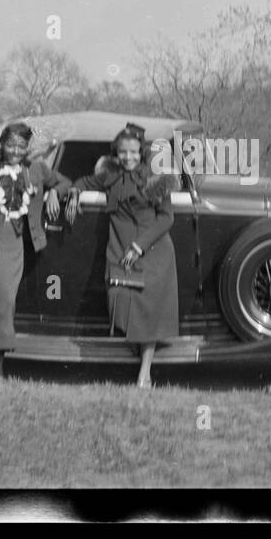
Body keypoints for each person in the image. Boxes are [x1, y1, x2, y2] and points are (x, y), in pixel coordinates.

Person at [65, 123, 178, 388]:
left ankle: (145, 371)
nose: (128, 157)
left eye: (134, 152)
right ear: (116, 153)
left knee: (147, 308)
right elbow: (84, 181)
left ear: (142, 153)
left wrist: (139, 246)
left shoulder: (153, 177)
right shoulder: (111, 175)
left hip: (151, 249)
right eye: (123, 152)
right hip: (119, 248)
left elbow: (166, 218)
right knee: (121, 299)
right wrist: (73, 193)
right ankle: (137, 349)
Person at [0, 122, 71, 378]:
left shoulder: (36, 169)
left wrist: (55, 193)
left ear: (27, 149)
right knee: (5, 300)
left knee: (6, 301)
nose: (14, 150)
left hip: (17, 244)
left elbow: (65, 182)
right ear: (2, 144)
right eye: (10, 145)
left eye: (21, 146)